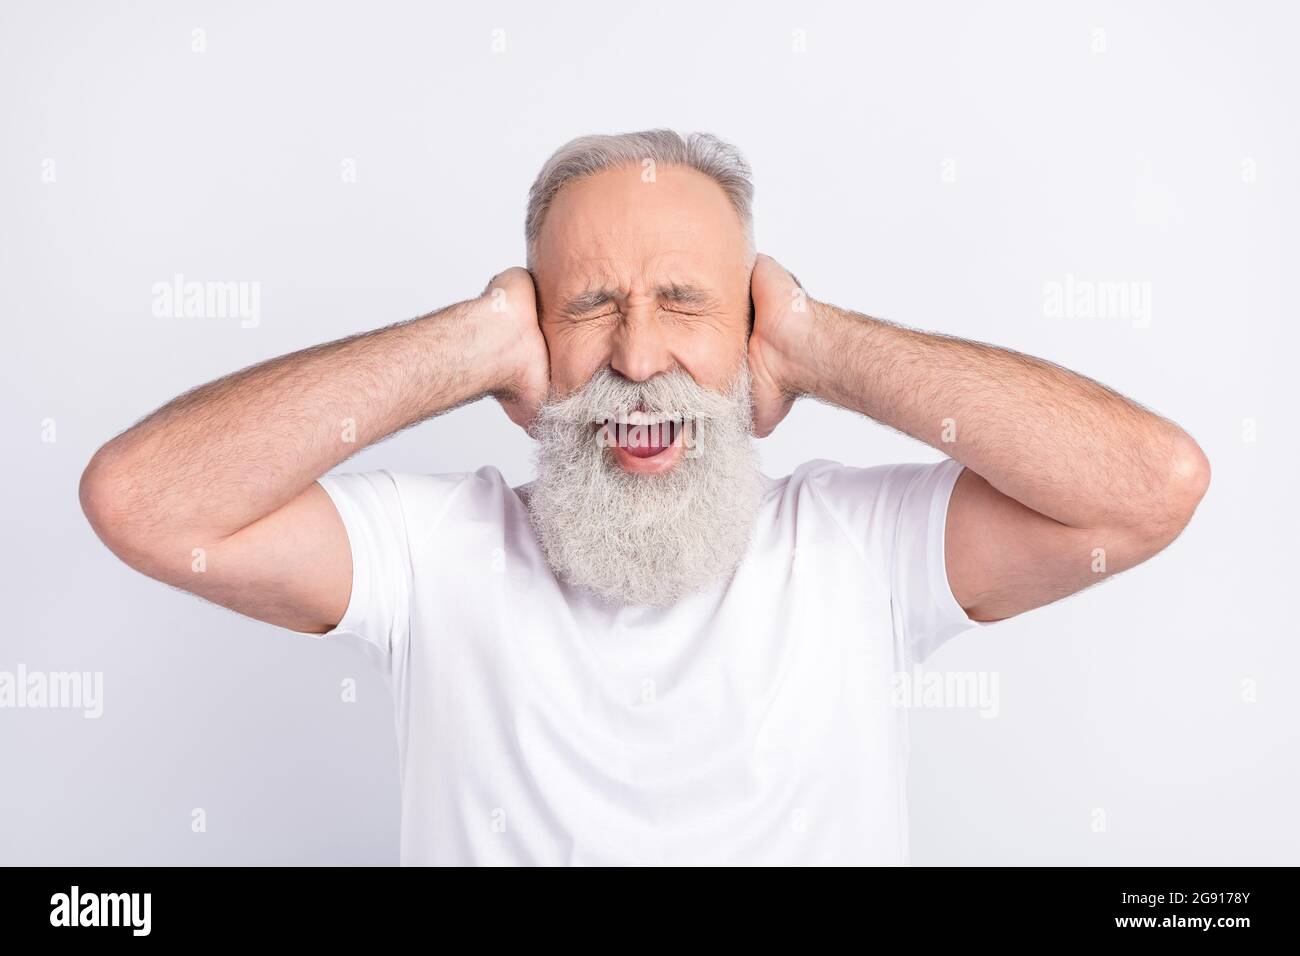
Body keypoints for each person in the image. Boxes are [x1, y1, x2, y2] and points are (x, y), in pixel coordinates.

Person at [79, 129, 1210, 865]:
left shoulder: (857, 547)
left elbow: (1148, 487)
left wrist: (823, 343)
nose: (636, 356)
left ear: (751, 331)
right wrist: (464, 341)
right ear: (530, 337)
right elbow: (144, 501)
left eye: (684, 302)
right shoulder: (432, 552)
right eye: (586, 308)